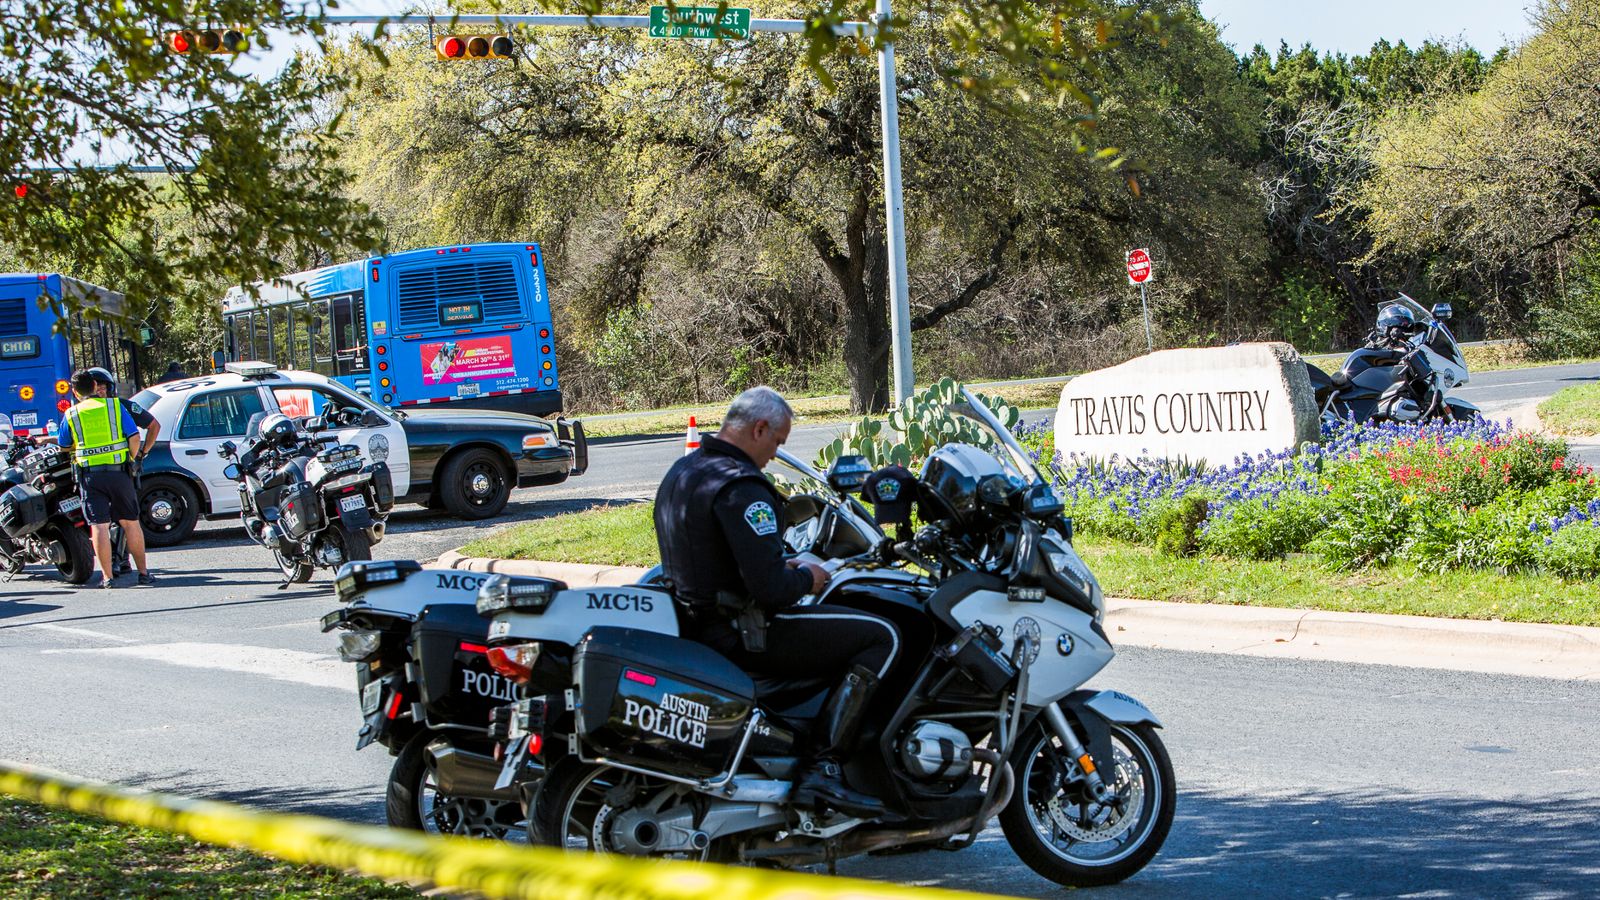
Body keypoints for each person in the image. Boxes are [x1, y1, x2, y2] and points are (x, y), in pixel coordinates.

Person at [654, 386, 898, 818]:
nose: (774, 455)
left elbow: (725, 558)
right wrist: (808, 575)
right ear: (758, 428)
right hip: (742, 636)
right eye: (777, 443)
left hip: (696, 623)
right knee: (882, 636)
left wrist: (785, 562)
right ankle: (822, 766)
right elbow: (770, 589)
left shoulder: (683, 471)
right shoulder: (742, 487)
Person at [58, 369, 154, 588]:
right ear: (94, 385)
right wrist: (131, 458)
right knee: (130, 522)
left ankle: (107, 578)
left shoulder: (71, 414)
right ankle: (144, 573)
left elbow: (64, 445)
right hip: (119, 473)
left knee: (99, 526)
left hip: (90, 477)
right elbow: (135, 437)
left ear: (74, 391)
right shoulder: (114, 406)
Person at [85, 368, 160, 576]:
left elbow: (153, 425)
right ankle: (118, 561)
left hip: (123, 470)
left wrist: (141, 454)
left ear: (110, 388)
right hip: (96, 472)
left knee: (123, 519)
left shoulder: (121, 406)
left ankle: (120, 560)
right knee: (105, 520)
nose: (99, 390)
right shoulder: (82, 410)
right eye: (95, 386)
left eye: (103, 386)